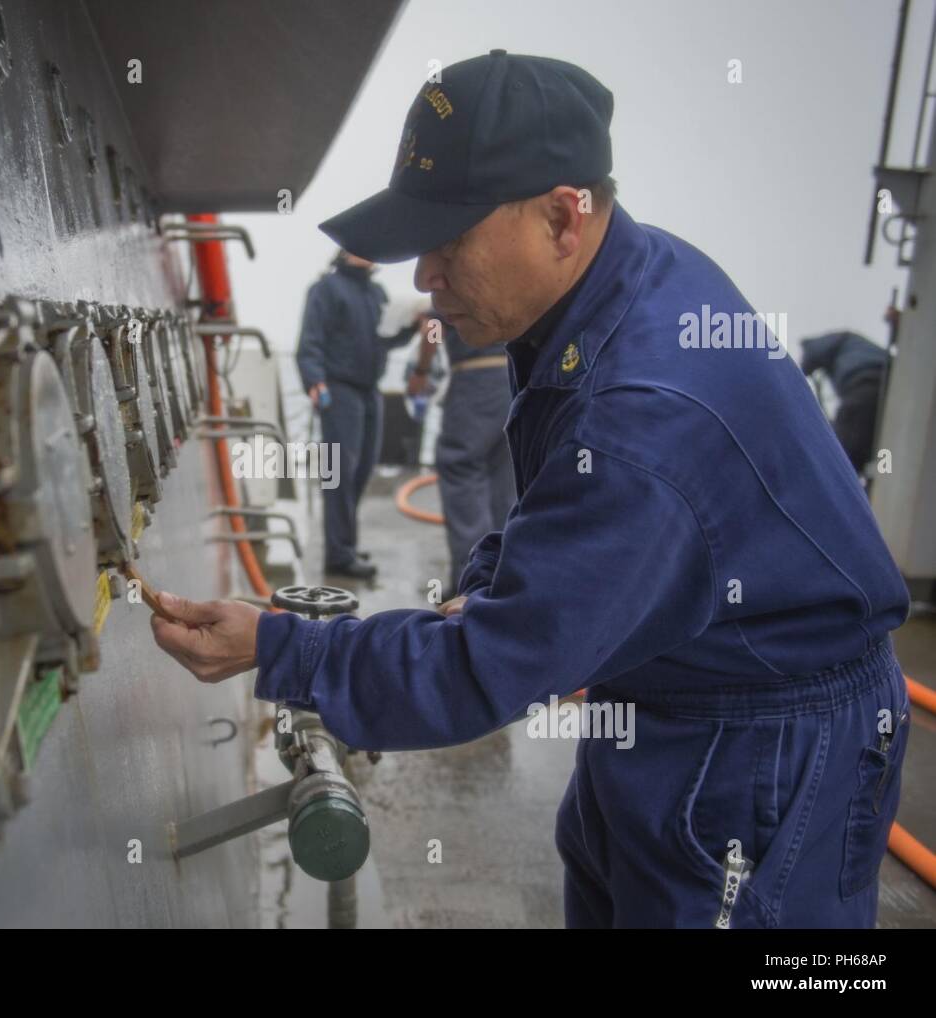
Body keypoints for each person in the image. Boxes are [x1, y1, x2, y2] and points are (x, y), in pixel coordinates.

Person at [149, 51, 911, 928]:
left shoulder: (645, 414)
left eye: (449, 242)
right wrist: (484, 585)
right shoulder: (616, 287)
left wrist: (279, 648)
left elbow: (490, 669)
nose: (424, 280)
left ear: (560, 218)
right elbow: (556, 520)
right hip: (668, 702)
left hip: (760, 754)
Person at [296, 250, 421, 579]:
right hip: (338, 390)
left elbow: (385, 340)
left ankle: (346, 544)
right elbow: (310, 341)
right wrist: (314, 381)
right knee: (339, 474)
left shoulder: (377, 293)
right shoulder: (326, 289)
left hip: (370, 391)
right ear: (343, 251)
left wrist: (412, 326)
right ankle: (338, 555)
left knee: (362, 469)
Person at [408, 313, 516, 598]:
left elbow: (432, 328)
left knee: (462, 475)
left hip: (474, 379)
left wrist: (421, 370)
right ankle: (504, 584)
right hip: (514, 381)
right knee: (505, 485)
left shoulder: (456, 271)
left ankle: (473, 586)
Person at [800, 329, 890, 474]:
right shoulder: (855, 346)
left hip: (864, 383)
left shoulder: (828, 342)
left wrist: (799, 373)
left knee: (840, 455)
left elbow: (812, 355)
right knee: (860, 446)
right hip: (884, 383)